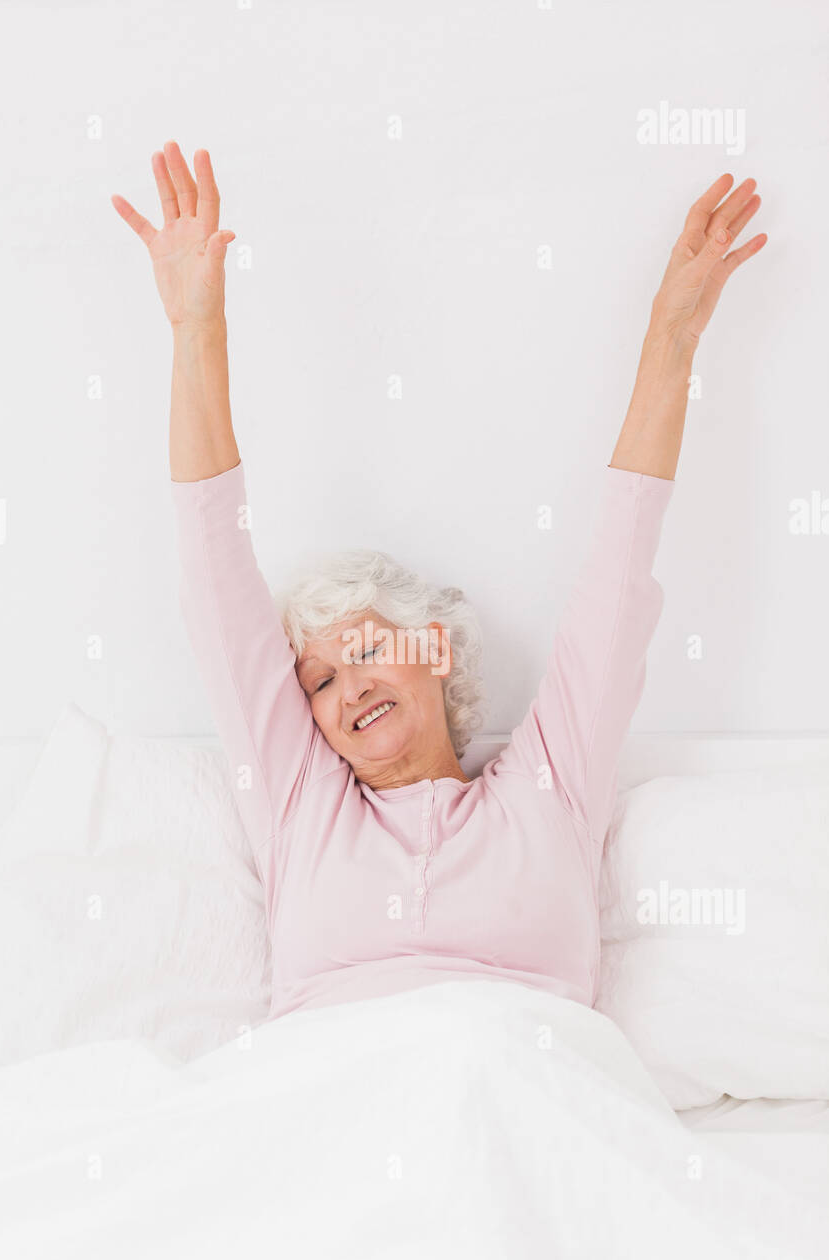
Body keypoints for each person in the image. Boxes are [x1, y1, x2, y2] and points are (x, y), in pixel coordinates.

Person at [112, 145, 766, 1022]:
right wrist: (198, 333)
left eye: (370, 651)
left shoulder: (551, 787)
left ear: (435, 654)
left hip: (520, 1098)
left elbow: (619, 571)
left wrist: (673, 336)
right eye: (319, 681)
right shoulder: (301, 805)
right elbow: (213, 580)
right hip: (333, 1103)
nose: (347, 690)